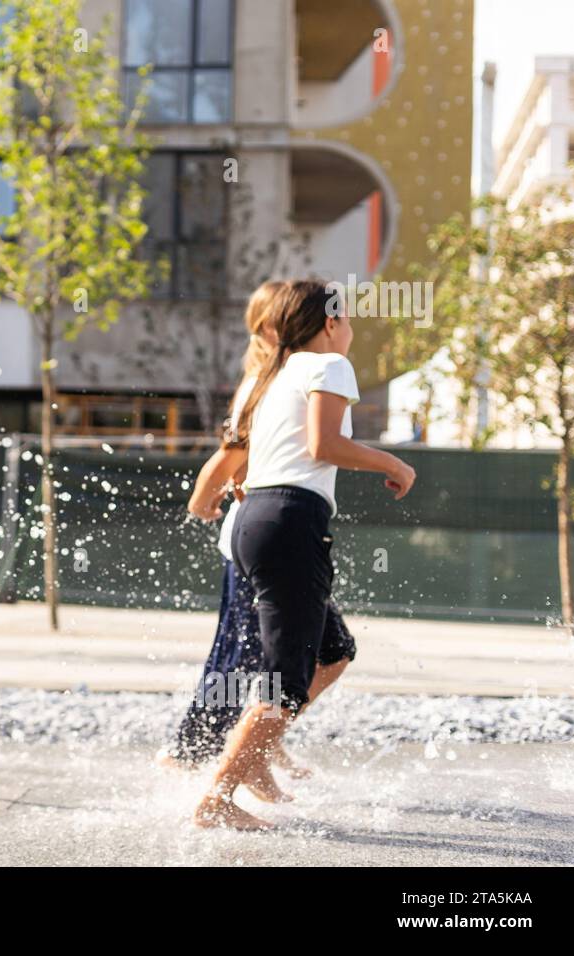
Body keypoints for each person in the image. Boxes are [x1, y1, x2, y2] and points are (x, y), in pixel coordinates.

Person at [193, 279, 416, 830]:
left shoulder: (273, 379)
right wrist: (393, 463)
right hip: (291, 522)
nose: (352, 330)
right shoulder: (328, 365)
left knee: (332, 650)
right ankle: (217, 797)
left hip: (260, 521)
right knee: (284, 680)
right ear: (329, 325)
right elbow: (324, 447)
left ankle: (253, 755)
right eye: (347, 319)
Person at [161, 282, 355, 783]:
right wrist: (205, 499)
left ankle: (251, 753)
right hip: (269, 534)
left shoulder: (283, 376)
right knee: (244, 656)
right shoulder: (278, 378)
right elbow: (234, 453)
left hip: (265, 530)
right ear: (274, 326)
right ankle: (196, 754)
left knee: (303, 654)